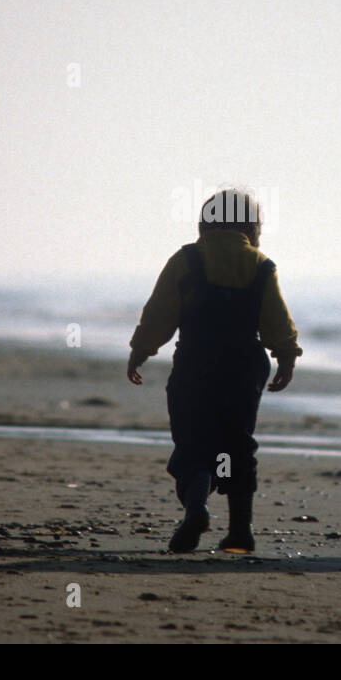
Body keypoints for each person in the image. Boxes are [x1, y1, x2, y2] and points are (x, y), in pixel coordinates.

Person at [127, 189, 300, 554]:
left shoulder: (187, 259)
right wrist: (286, 355)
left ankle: (196, 506)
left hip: (195, 363)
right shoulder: (260, 264)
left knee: (193, 443)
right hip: (243, 368)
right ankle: (240, 530)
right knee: (239, 445)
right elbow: (276, 319)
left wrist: (141, 349)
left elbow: (160, 311)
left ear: (204, 223)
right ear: (253, 227)